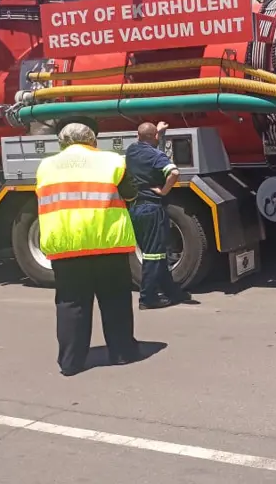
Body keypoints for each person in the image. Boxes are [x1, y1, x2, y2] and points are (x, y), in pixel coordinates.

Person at [37, 122, 140, 376]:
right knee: (115, 299)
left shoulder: (46, 166)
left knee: (72, 303)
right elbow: (130, 193)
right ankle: (122, 353)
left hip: (67, 246)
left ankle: (71, 362)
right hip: (107, 242)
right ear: (93, 141)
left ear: (62, 143)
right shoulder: (113, 161)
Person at [125, 121, 193, 310]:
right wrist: (163, 191)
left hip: (136, 208)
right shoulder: (155, 155)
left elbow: (143, 138)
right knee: (154, 255)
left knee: (158, 253)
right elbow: (174, 172)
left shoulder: (131, 151)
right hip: (152, 208)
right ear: (153, 137)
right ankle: (147, 298)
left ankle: (172, 292)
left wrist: (157, 132)